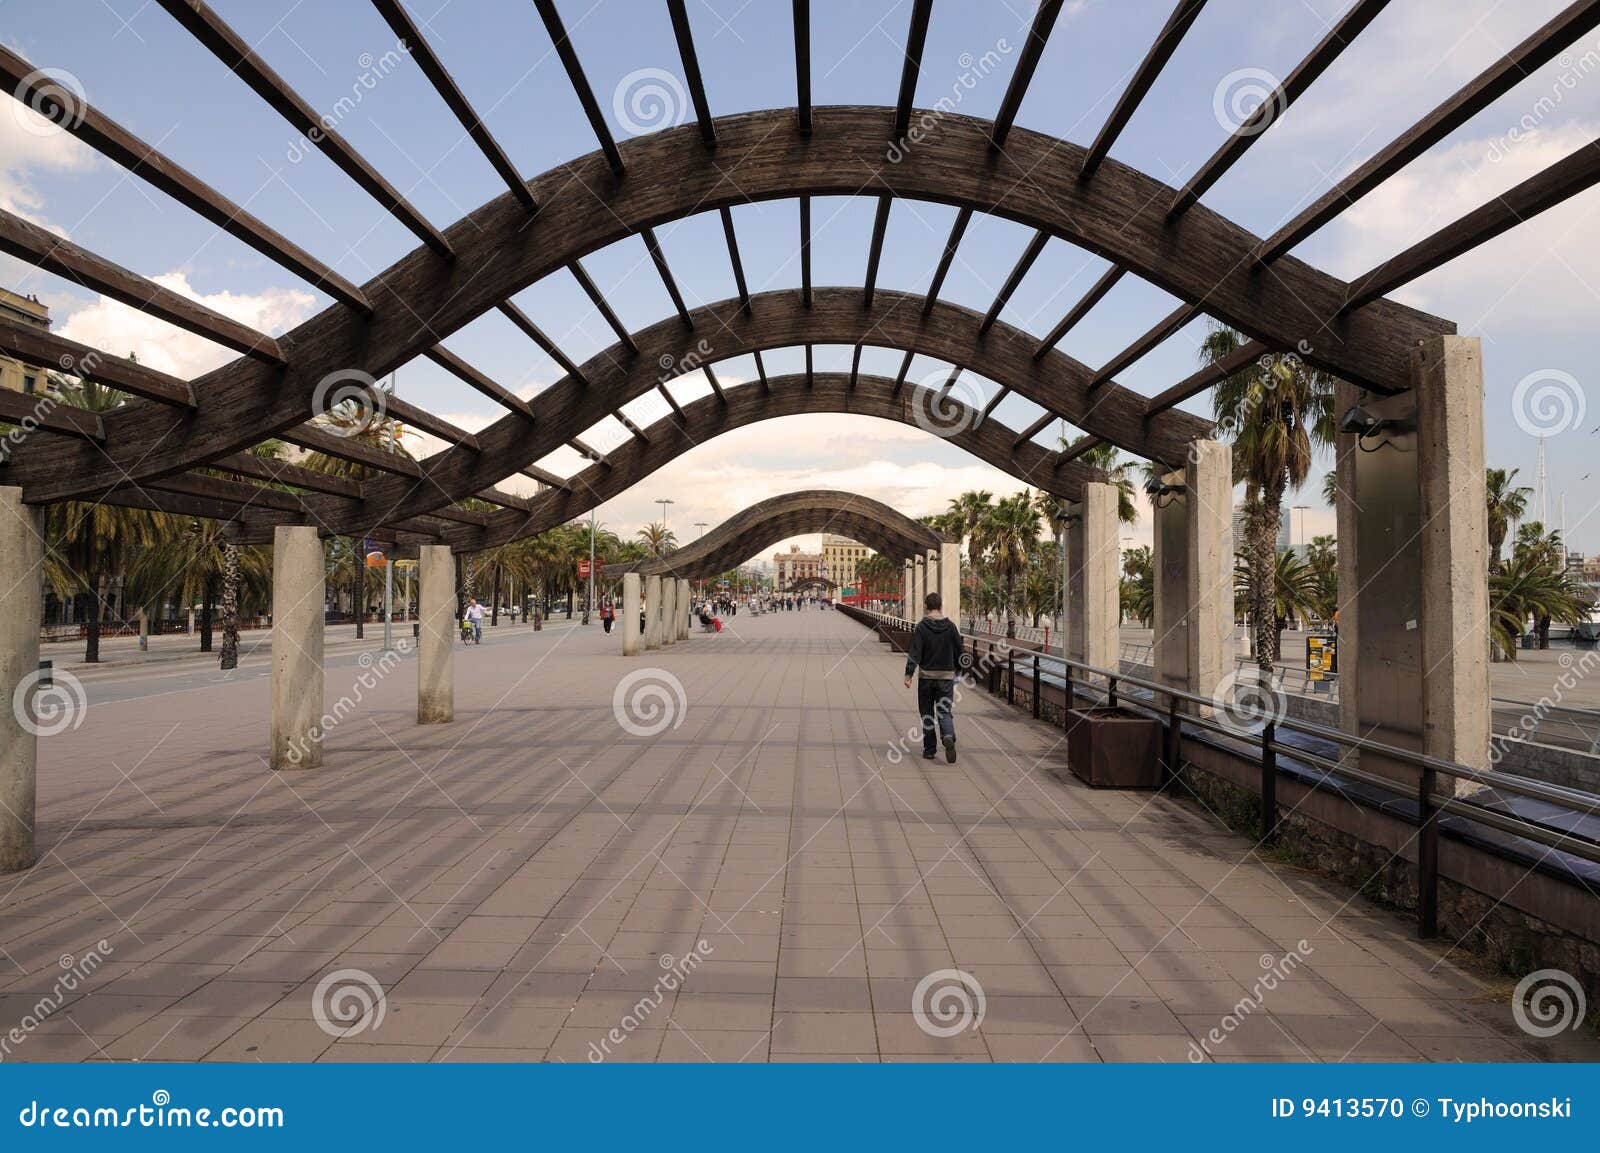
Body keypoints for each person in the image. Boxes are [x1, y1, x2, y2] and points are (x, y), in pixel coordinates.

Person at [903, 590, 962, 763]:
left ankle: (929, 750)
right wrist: (959, 670)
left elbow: (914, 652)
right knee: (944, 711)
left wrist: (908, 674)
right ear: (941, 606)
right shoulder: (951, 627)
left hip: (926, 678)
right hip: (945, 677)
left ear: (926, 607)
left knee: (927, 713)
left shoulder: (922, 627)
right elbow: (959, 651)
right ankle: (948, 735)